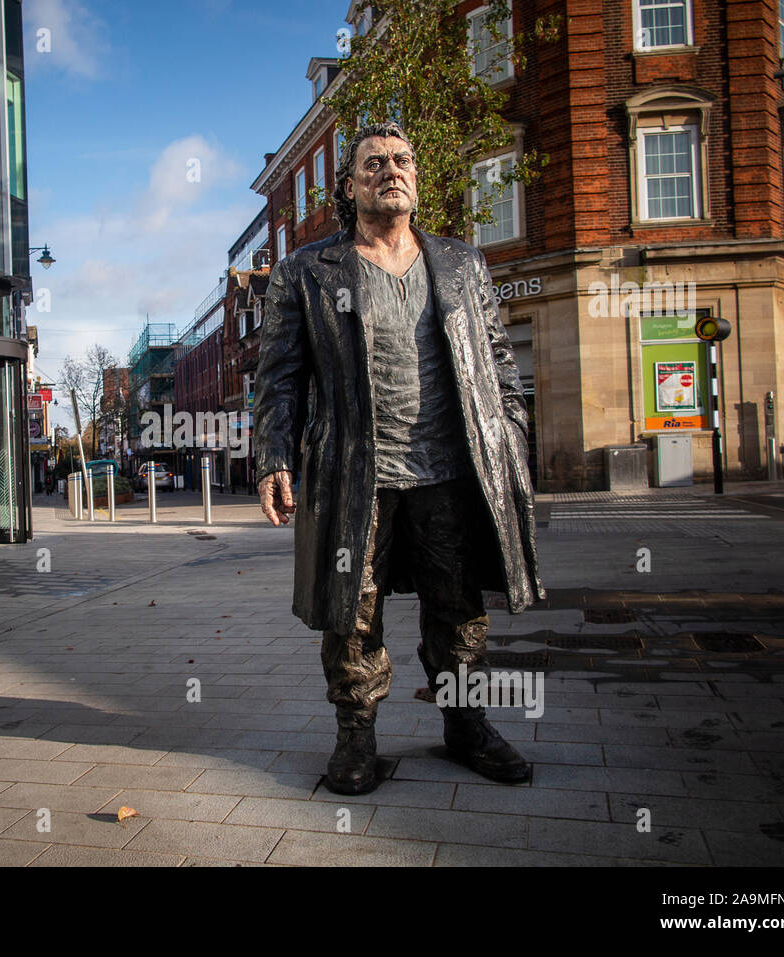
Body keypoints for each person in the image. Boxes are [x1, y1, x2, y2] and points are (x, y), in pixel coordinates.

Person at [254, 122, 544, 795]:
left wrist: (511, 440)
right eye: (375, 162)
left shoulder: (463, 264)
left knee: (460, 607)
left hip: (451, 470)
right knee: (352, 612)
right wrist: (274, 456)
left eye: (404, 159)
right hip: (357, 476)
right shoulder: (308, 272)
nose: (393, 169)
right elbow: (279, 377)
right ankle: (356, 735)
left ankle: (466, 723)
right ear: (349, 185)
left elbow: (500, 368)